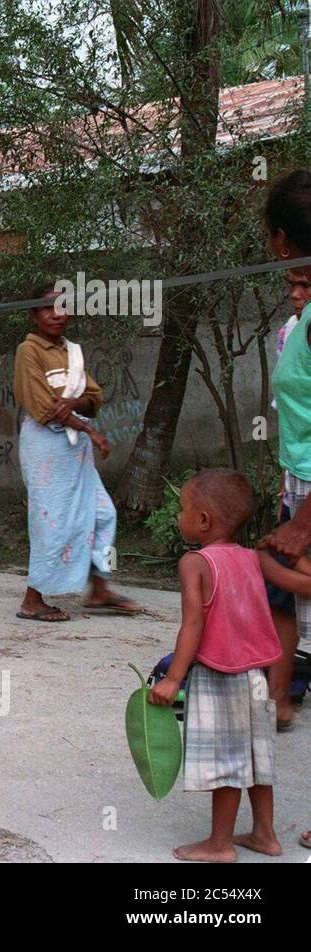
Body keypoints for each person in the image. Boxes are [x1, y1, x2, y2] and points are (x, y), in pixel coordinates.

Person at [150, 470, 283, 862]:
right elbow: (298, 584)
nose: (178, 516)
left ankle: (219, 845)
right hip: (256, 676)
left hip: (219, 674)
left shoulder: (197, 563)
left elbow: (193, 623)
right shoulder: (254, 558)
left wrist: (174, 678)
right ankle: (265, 835)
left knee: (227, 762)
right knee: (258, 757)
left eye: (182, 509)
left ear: (203, 520)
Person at [12, 282, 140, 622]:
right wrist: (89, 429)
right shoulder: (29, 351)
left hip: (76, 450)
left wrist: (75, 403)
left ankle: (99, 588)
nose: (56, 314)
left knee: (103, 514)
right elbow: (43, 408)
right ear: (33, 314)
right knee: (51, 521)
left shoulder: (73, 352)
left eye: (63, 307)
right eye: (47, 308)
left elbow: (94, 397)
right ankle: (32, 598)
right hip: (47, 448)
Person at [262, 264, 311, 731]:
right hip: (298, 477)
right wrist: (286, 484)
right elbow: (294, 420)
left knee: (289, 579)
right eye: (292, 285)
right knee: (281, 597)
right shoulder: (289, 334)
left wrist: (302, 524)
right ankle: (279, 699)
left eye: (307, 285)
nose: (296, 293)